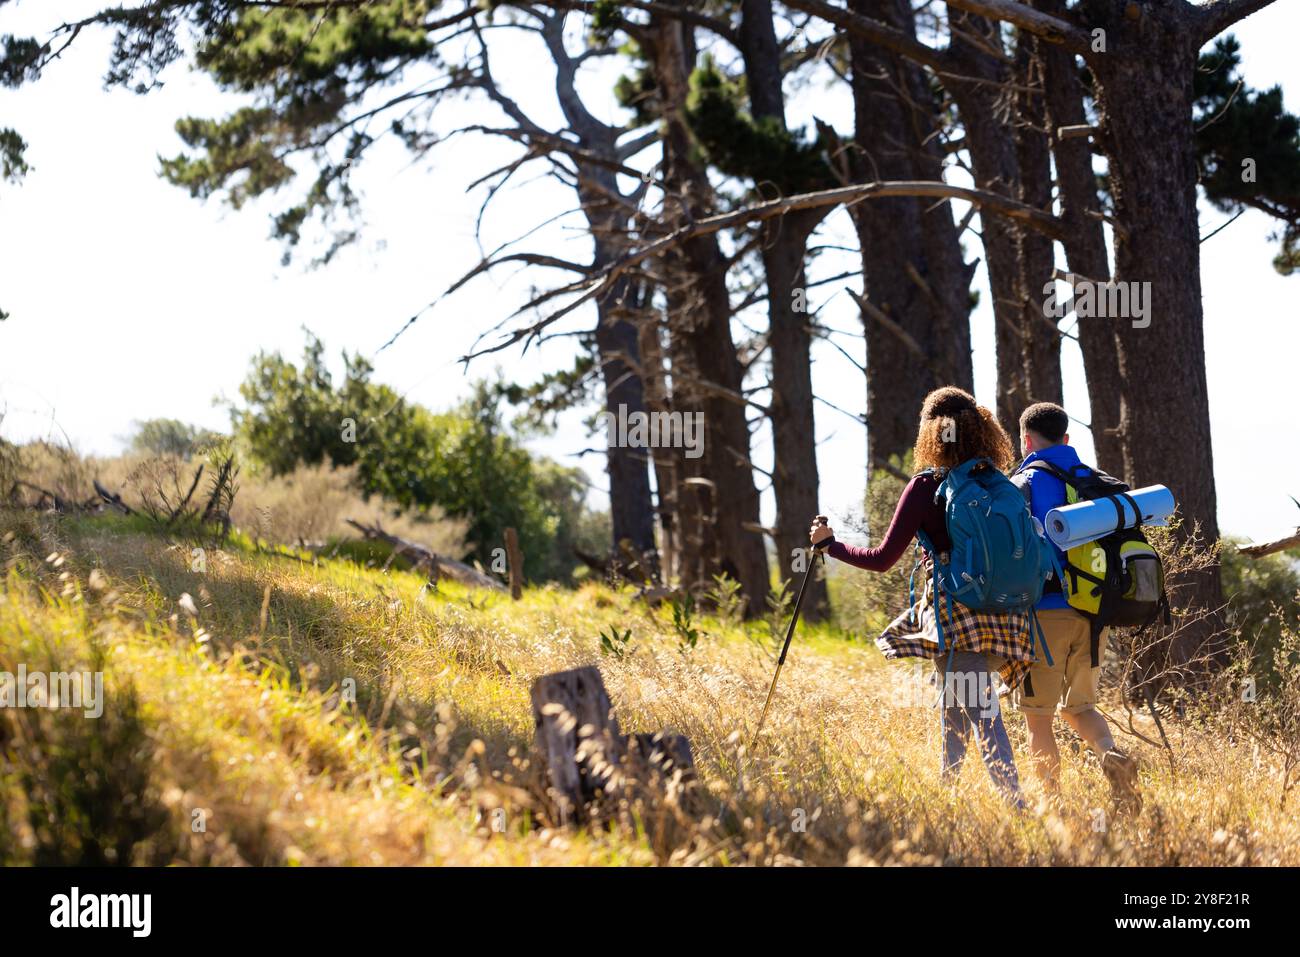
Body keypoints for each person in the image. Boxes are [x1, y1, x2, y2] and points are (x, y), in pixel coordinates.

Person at [810, 387, 1036, 806]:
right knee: (956, 703)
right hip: (1010, 616)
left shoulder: (926, 487)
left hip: (959, 615)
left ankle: (1018, 807)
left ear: (930, 433)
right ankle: (946, 797)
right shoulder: (999, 481)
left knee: (983, 713)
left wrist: (831, 546)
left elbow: (881, 559)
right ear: (980, 428)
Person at [1009, 402, 1140, 811]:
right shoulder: (1091, 480)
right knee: (1081, 707)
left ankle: (1053, 805)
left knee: (1038, 717)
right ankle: (1109, 754)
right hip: (1092, 613)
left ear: (1026, 440)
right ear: (1067, 439)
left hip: (1044, 613)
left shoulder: (1024, 480)